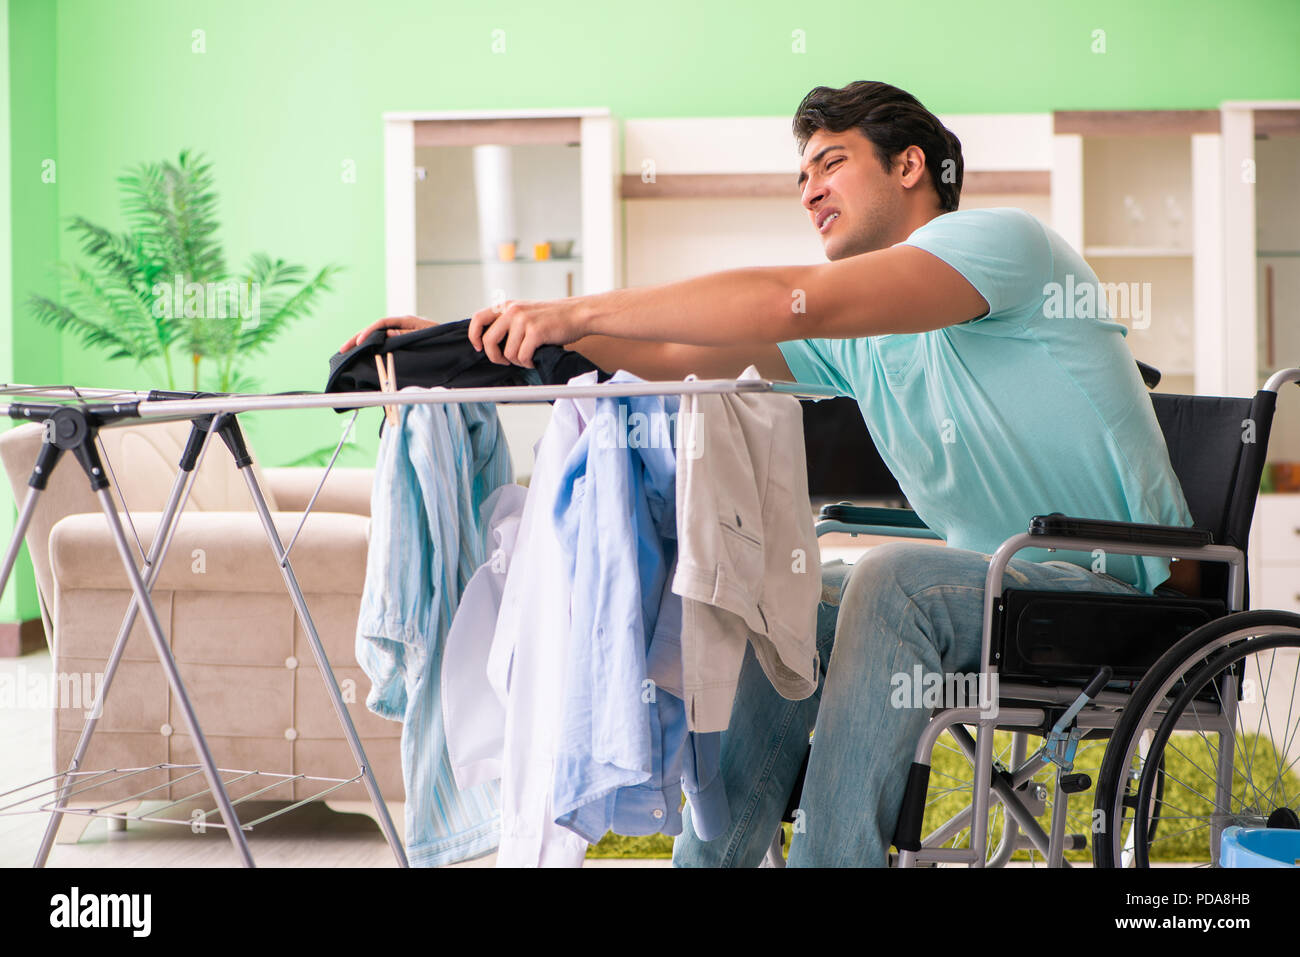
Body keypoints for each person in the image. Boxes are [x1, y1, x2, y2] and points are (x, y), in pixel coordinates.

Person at [341, 80, 1194, 866]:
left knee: (888, 579)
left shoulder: (1000, 245)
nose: (811, 189)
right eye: (801, 176)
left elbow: (797, 295)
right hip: (1003, 594)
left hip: (1111, 596)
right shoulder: (865, 335)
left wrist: (574, 307)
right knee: (794, 592)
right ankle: (714, 859)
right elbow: (678, 353)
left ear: (909, 167)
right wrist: (473, 336)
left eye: (831, 163)